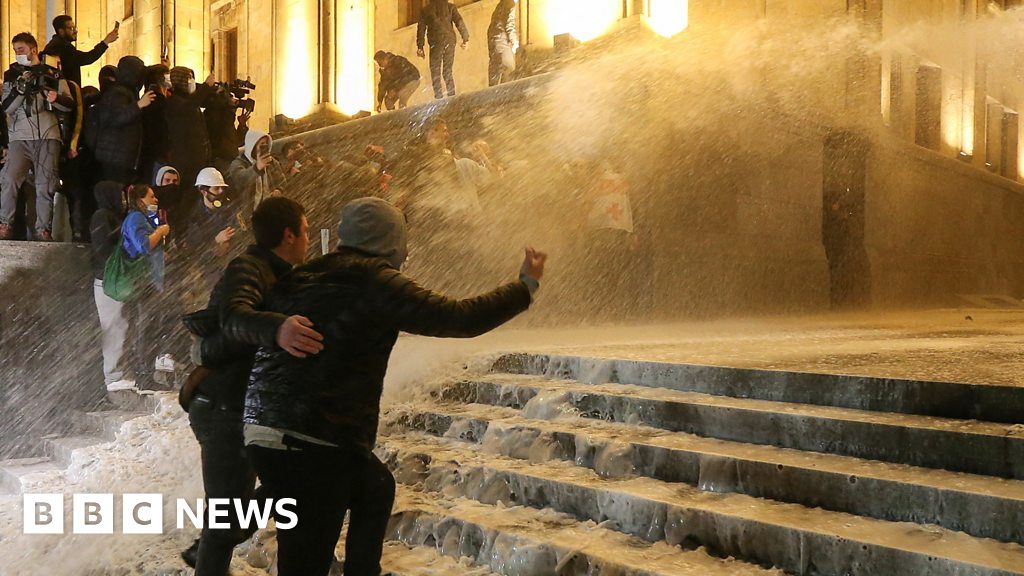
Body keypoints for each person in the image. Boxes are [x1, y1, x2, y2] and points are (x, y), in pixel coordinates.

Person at [244, 197, 546, 576]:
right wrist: (524, 287)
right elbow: (459, 318)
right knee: (306, 561)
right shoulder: (375, 280)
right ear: (389, 239)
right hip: (313, 439)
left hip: (266, 424)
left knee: (374, 487)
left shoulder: (307, 273)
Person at [181, 196, 323, 575]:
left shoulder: (280, 272)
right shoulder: (249, 267)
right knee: (226, 519)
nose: (308, 239)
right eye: (306, 231)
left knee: (289, 481)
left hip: (245, 407)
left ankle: (211, 543)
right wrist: (278, 329)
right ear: (289, 234)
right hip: (223, 408)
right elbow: (234, 318)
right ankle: (211, 547)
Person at [0, 32, 74, 241]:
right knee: (10, 178)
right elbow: (7, 107)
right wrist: (20, 89)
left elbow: (69, 104)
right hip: (19, 136)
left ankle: (43, 229)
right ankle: (5, 224)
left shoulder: (52, 73)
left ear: (33, 49)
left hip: (47, 134)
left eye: (21, 50)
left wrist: (55, 98)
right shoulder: (12, 74)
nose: (18, 54)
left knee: (45, 183)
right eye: (15, 50)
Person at [120, 183, 172, 389]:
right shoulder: (135, 218)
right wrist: (160, 231)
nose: (155, 200)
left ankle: (146, 371)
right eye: (151, 197)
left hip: (151, 281)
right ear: (140, 200)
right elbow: (143, 245)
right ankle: (143, 375)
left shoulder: (144, 218)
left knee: (151, 327)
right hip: (143, 283)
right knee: (145, 328)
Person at [90, 181, 133, 390]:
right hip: (108, 281)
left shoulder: (114, 217)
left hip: (115, 280)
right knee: (113, 327)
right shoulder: (102, 216)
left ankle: (118, 373)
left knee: (120, 325)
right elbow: (104, 249)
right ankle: (113, 376)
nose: (124, 200)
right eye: (121, 196)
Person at [93, 56, 155, 183]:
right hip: (114, 156)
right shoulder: (118, 93)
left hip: (120, 155)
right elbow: (116, 118)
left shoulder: (127, 92)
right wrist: (138, 105)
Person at [166, 66, 216, 215]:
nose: (192, 82)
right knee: (186, 197)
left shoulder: (189, 101)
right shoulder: (175, 102)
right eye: (189, 78)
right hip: (186, 160)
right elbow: (188, 107)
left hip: (198, 158)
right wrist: (206, 87)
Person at [42, 15, 119, 88]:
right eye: (71, 28)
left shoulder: (54, 44)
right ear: (61, 31)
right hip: (65, 92)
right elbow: (88, 58)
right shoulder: (62, 47)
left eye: (75, 27)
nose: (75, 31)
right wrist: (106, 42)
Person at [416, 0, 470, 99]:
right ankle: (452, 96)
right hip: (450, 40)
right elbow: (459, 22)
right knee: (447, 71)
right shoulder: (451, 7)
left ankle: (439, 97)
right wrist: (465, 38)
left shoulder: (426, 10)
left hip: (436, 41)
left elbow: (421, 29)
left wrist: (420, 46)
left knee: (435, 71)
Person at [227, 130, 285, 221]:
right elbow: (240, 180)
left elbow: (282, 179)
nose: (264, 147)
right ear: (252, 146)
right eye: (261, 145)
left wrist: (279, 189)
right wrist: (256, 168)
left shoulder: (271, 162)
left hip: (269, 210)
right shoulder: (238, 163)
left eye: (266, 144)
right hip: (249, 214)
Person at [487, 0, 519, 87]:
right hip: (501, 39)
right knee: (509, 67)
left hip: (494, 39)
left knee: (495, 68)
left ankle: (493, 92)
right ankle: (506, 93)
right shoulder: (510, 3)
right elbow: (509, 24)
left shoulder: (501, 4)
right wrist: (514, 41)